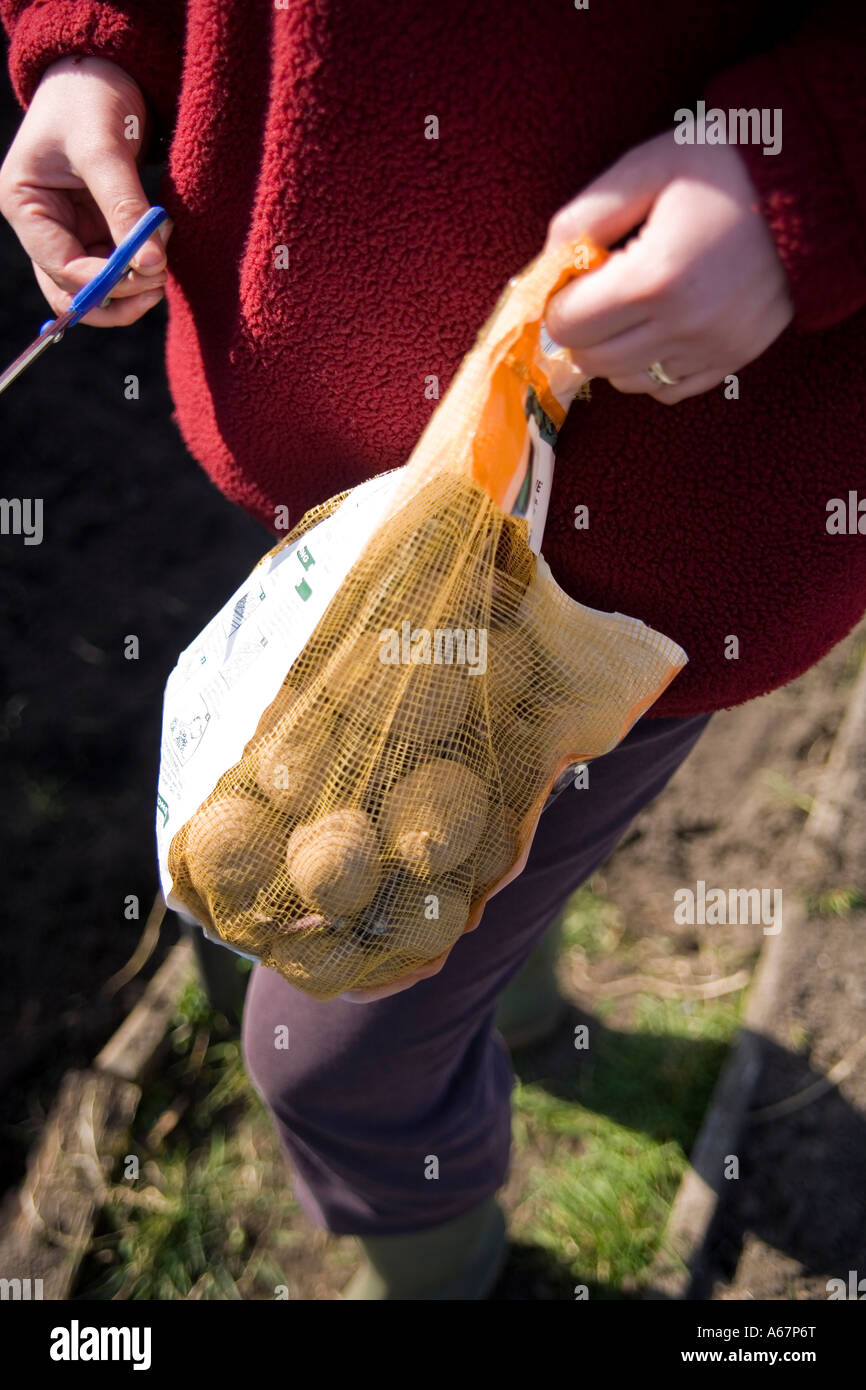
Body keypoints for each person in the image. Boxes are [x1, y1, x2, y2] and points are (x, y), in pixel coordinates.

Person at [2, 1, 863, 1299]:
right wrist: (89, 44)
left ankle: (449, 1276)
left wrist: (814, 162)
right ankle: (513, 1004)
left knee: (325, 1052)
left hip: (629, 543)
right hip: (338, 496)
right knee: (457, 847)